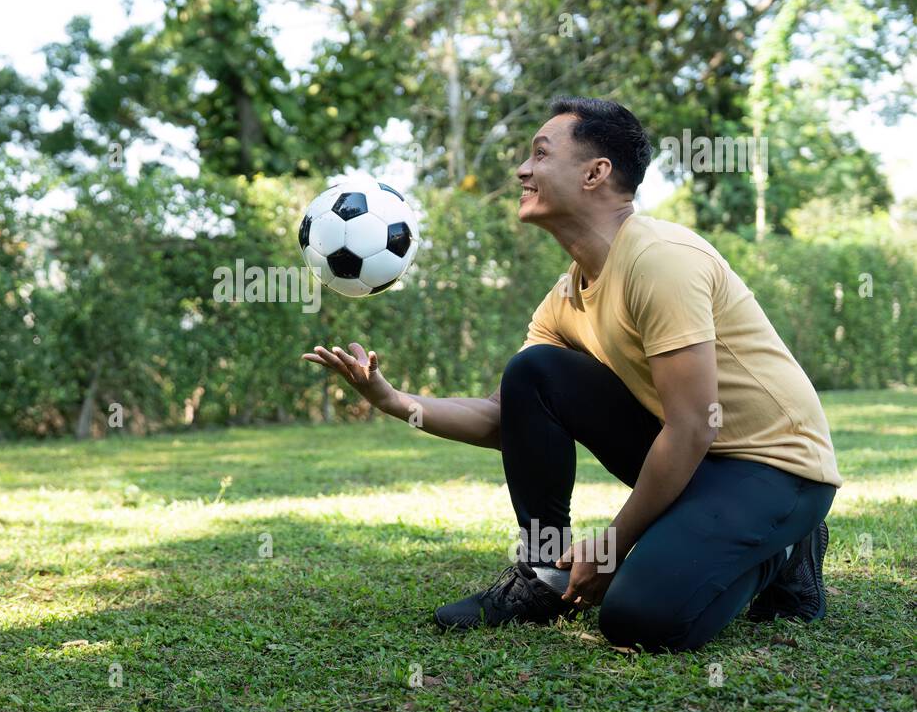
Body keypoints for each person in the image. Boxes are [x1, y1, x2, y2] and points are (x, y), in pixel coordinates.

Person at [302, 96, 841, 653]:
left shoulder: (661, 259)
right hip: (702, 461)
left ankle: (783, 551)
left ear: (595, 173)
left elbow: (692, 427)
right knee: (533, 371)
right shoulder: (566, 294)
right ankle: (543, 574)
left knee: (639, 620)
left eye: (540, 154)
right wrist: (394, 400)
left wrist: (611, 547)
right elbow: (503, 417)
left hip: (776, 468)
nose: (522, 170)